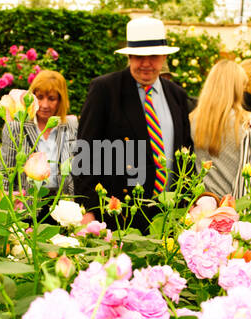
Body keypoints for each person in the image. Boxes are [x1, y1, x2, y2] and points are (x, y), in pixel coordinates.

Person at [74, 16, 193, 227]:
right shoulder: (105, 90)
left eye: (153, 56)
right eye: (138, 56)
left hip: (169, 215)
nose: (146, 64)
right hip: (120, 215)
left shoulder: (177, 95)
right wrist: (89, 210)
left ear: (164, 57)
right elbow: (85, 153)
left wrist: (190, 201)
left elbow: (186, 152)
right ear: (129, 56)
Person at [191, 59, 251, 199]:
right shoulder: (247, 123)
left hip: (203, 208)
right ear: (237, 87)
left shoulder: (192, 120)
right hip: (237, 210)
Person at [0, 69, 79, 196]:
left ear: (60, 100)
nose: (44, 105)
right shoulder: (16, 126)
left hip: (62, 202)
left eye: (51, 99)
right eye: (40, 97)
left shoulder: (71, 124)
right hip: (27, 205)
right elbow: (6, 172)